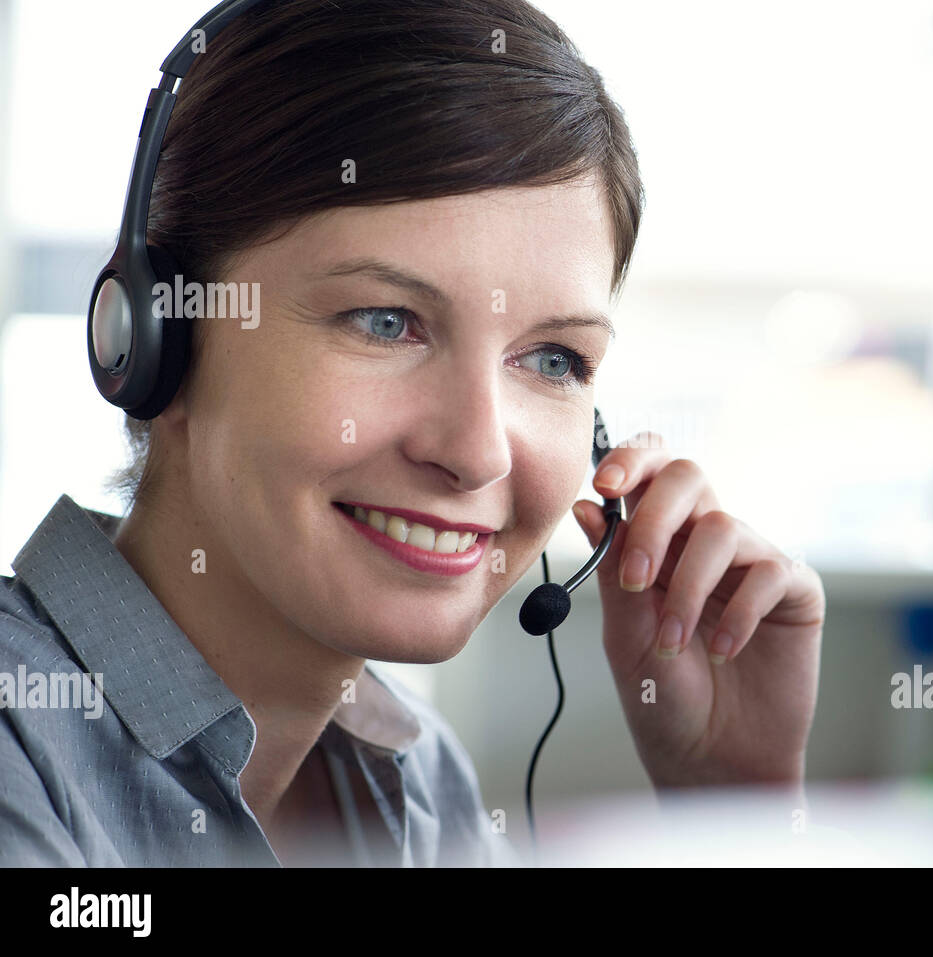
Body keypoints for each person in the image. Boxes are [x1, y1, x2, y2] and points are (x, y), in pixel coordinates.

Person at [0, 0, 824, 866]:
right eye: (387, 322)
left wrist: (737, 814)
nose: (478, 452)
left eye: (551, 359)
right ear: (159, 336)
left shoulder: (421, 779)